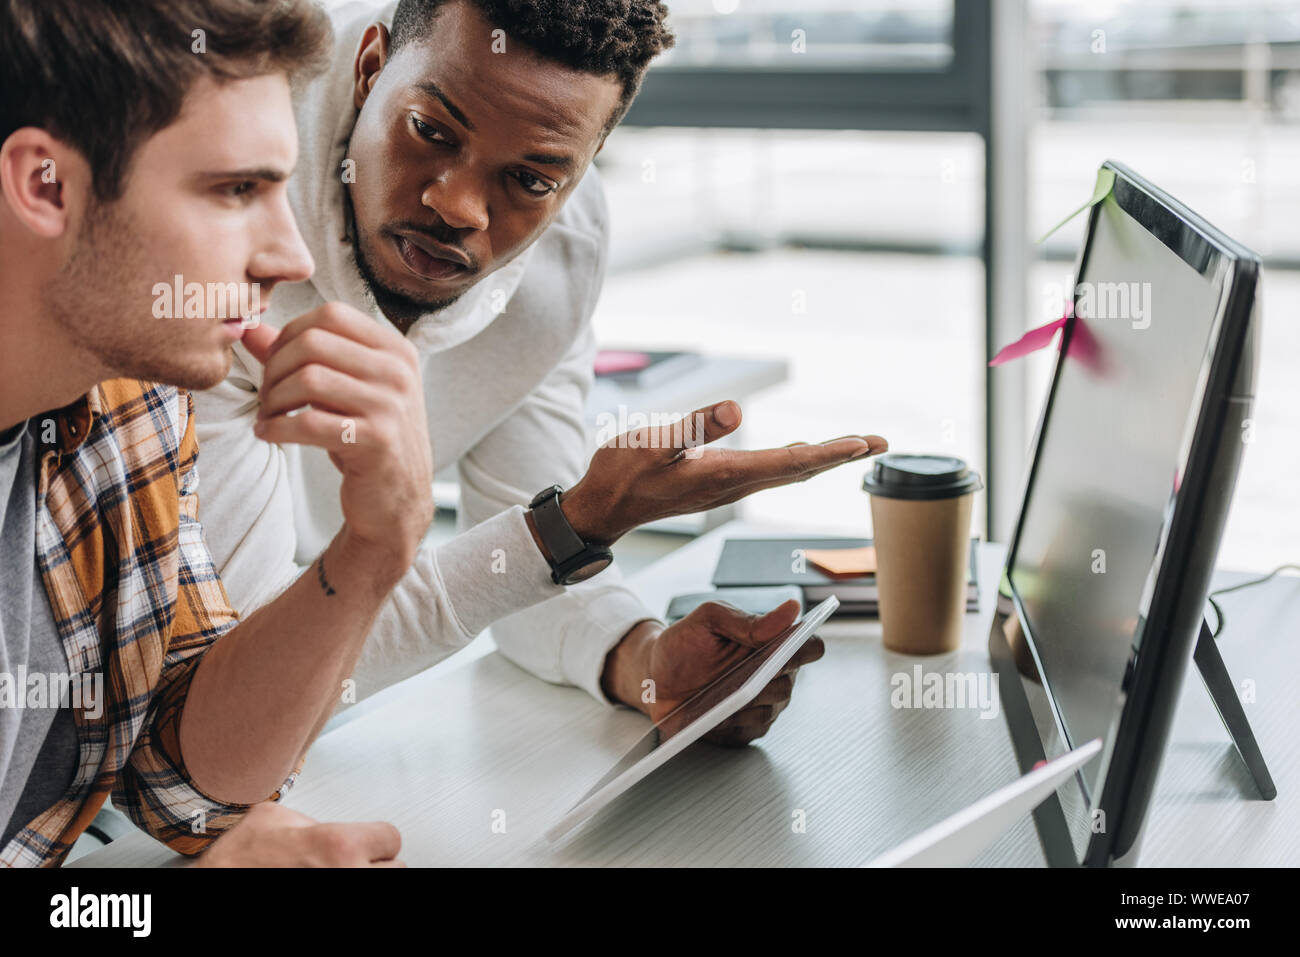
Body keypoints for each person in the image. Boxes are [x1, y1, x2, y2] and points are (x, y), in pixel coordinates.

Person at [195, 0, 889, 747]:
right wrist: (573, 525)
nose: (456, 206)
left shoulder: (559, 257)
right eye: (431, 131)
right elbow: (233, 672)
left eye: (529, 180)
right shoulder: (221, 222)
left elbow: (517, 567)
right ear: (369, 70)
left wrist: (644, 660)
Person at [0, 0, 432, 867]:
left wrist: (377, 547)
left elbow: (180, 778)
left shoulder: (129, 394)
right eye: (237, 189)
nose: (293, 257)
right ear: (46, 183)